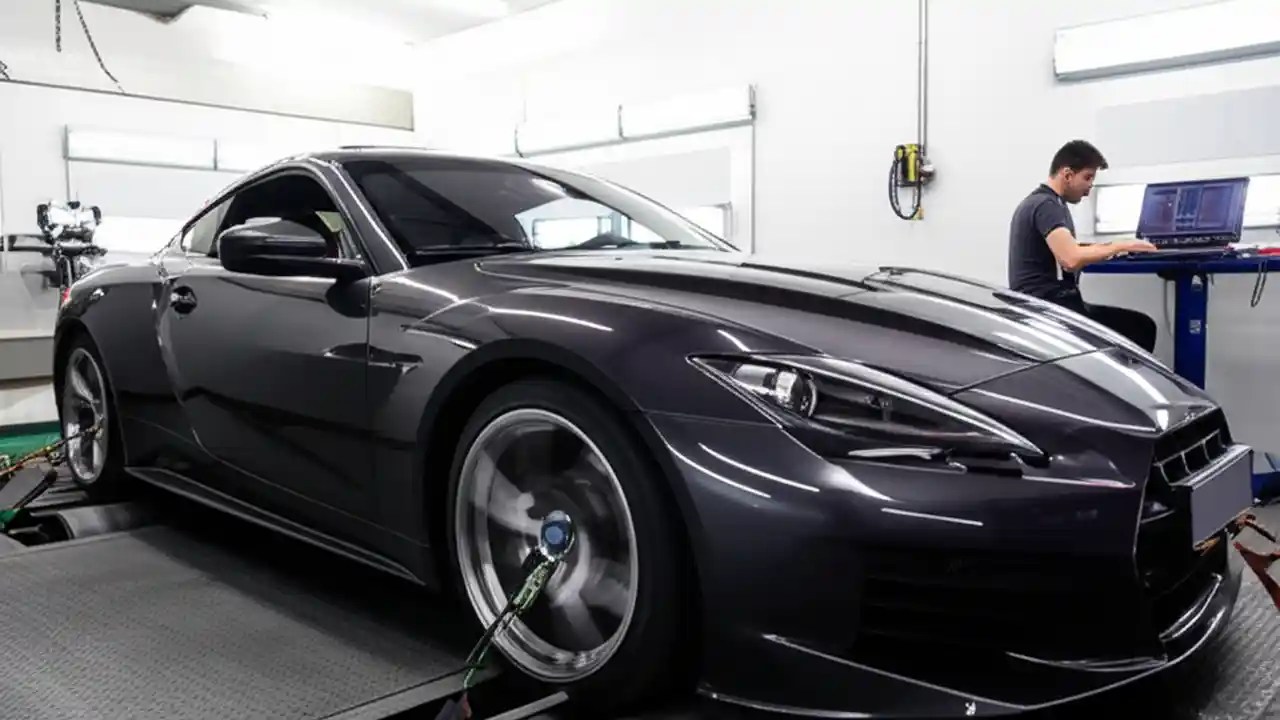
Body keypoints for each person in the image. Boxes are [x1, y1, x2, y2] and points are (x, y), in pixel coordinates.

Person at [1007, 139, 1160, 352]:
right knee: (1140, 328)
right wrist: (1119, 246)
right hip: (1049, 308)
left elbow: (1071, 248)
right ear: (1067, 175)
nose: (1090, 187)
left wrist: (1113, 247)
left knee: (1134, 326)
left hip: (1044, 304)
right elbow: (1070, 258)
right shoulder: (1046, 205)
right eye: (1087, 178)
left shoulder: (1044, 203)